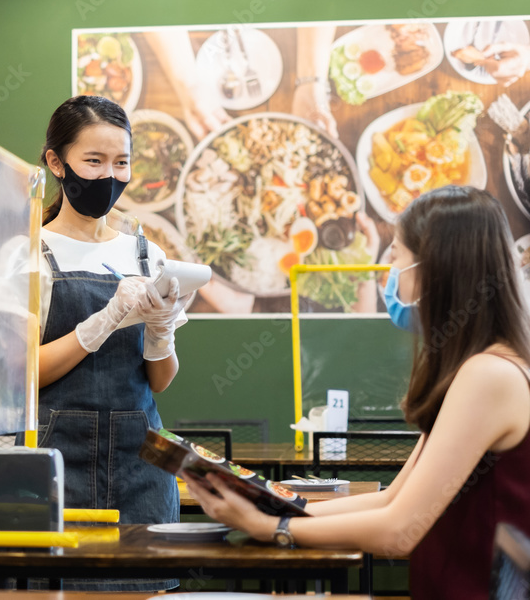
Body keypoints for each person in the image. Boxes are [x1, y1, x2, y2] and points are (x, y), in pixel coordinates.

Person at [183, 186, 530, 600]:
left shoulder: (488, 375)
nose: (391, 273)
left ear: (436, 267)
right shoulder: (478, 368)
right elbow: (392, 499)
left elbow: (400, 530)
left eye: (397, 256)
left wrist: (273, 528)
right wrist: (278, 506)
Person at [36, 96, 187, 532]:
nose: (110, 176)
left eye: (121, 162)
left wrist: (161, 332)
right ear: (56, 162)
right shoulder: (28, 254)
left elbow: (159, 381)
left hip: (143, 464)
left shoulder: (146, 254)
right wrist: (100, 321)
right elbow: (24, 374)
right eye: (94, 160)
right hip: (56, 463)